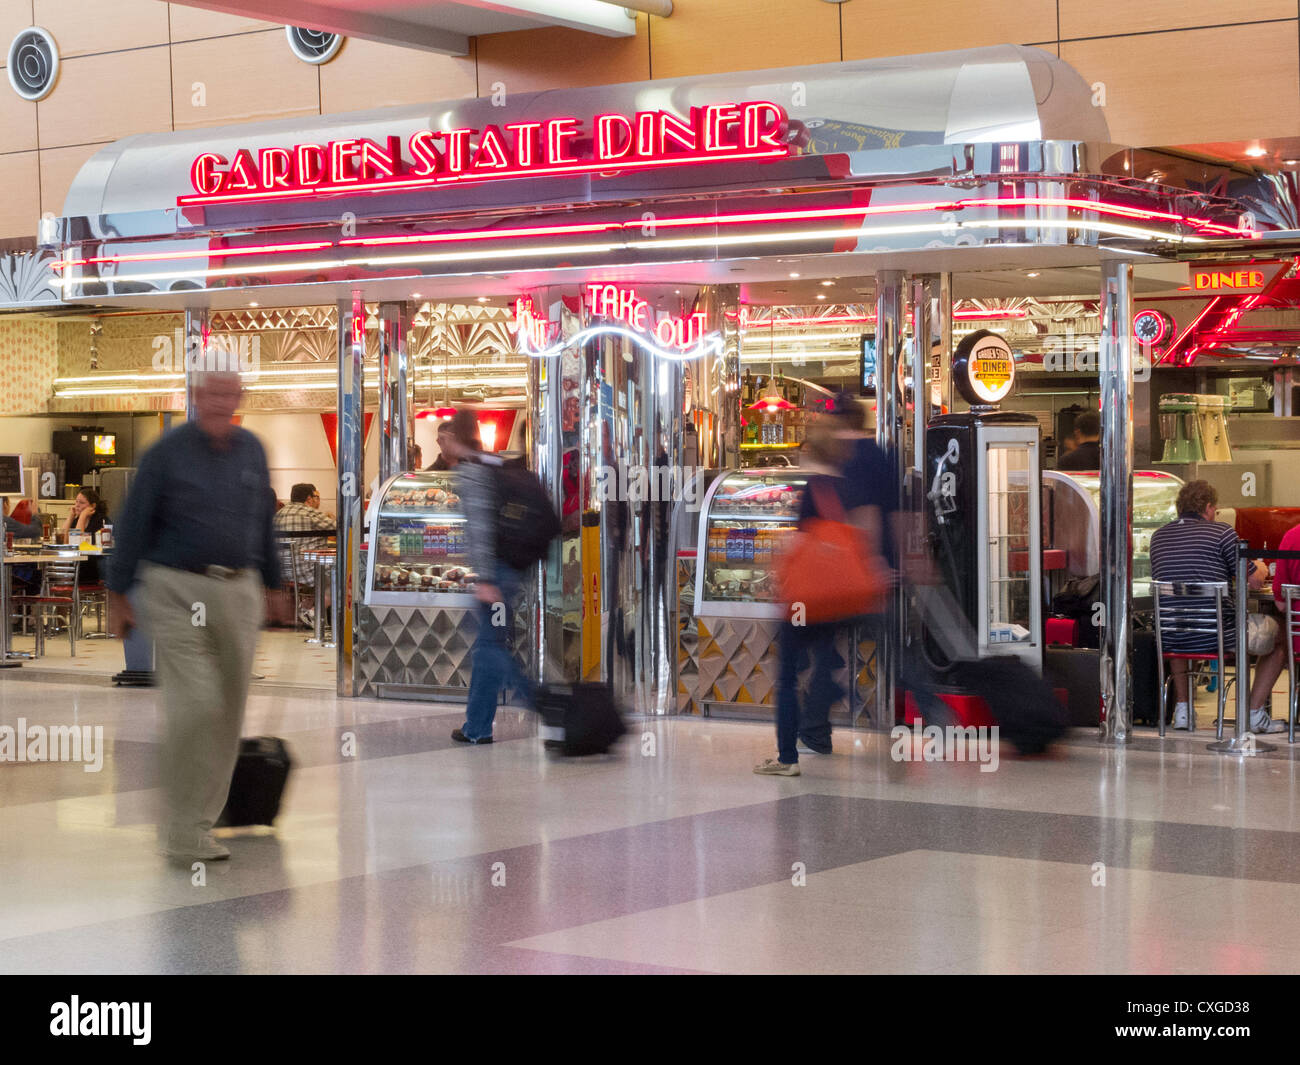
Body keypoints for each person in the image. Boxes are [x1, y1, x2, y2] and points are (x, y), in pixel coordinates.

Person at [107, 369, 281, 864]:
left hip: (238, 589)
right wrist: (118, 593)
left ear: (239, 398)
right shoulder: (166, 454)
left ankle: (199, 826)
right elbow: (134, 522)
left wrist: (274, 584)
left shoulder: (252, 450)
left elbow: (262, 522)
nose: (223, 403)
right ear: (198, 397)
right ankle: (180, 829)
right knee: (196, 705)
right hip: (177, 589)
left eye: (231, 394)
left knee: (226, 712)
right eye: (214, 394)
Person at [755, 393, 946, 776]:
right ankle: (933, 711)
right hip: (861, 588)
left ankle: (795, 750)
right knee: (890, 649)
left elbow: (800, 542)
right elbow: (881, 525)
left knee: (801, 667)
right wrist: (891, 567)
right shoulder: (879, 463)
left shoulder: (816, 486)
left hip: (812, 600)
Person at [1149, 479, 1286, 733]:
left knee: (1182, 630)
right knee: (1281, 637)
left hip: (1170, 634)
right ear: (1209, 507)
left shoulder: (1158, 537)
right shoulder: (1221, 532)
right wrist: (1263, 567)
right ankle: (1255, 713)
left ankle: (1183, 711)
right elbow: (1254, 580)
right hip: (1219, 637)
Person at [440, 409, 534, 744]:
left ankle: (539, 702)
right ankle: (477, 727)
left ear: (454, 436)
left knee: (489, 648)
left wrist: (484, 578)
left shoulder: (470, 471)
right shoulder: (492, 462)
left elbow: (479, 527)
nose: (441, 443)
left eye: (444, 436)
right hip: (509, 567)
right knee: (488, 646)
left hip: (494, 573)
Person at [273, 483, 335, 618]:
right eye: (315, 497)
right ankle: (313, 613)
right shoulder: (310, 513)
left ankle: (306, 608)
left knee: (325, 576)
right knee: (339, 577)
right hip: (307, 572)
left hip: (281, 571)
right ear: (309, 498)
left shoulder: (278, 515)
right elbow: (339, 528)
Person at [59, 487, 108, 582]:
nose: (77, 505)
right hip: (78, 564)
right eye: (76, 502)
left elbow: (77, 542)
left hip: (94, 565)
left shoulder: (100, 520)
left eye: (81, 503)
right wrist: (71, 517)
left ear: (92, 506)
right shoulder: (76, 520)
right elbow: (64, 541)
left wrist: (83, 516)